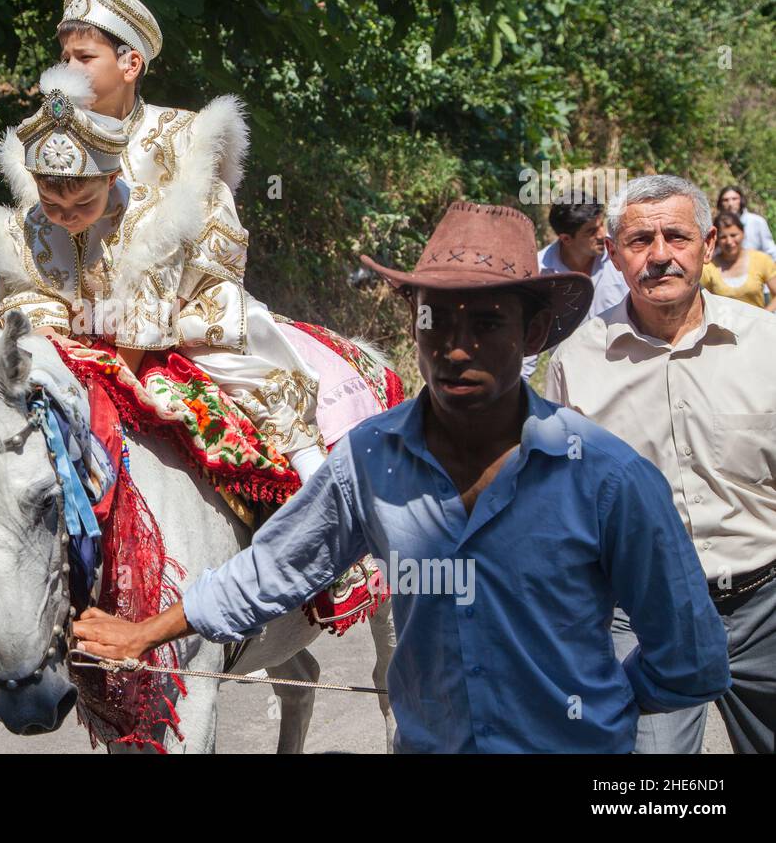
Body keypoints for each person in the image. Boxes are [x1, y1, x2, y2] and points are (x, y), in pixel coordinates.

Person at [74, 201, 730, 752]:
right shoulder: (369, 460)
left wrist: (596, 713)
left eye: (486, 323)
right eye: (434, 319)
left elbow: (691, 657)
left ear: (532, 334)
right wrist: (144, 633)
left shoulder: (607, 479)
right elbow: (271, 570)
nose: (454, 345)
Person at [0, 63, 329, 481]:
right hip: (68, 350)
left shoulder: (151, 220)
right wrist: (54, 347)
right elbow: (27, 296)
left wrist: (112, 377)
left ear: (111, 179)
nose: (66, 218)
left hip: (171, 330)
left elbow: (147, 314)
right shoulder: (29, 224)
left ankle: (318, 482)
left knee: (254, 392)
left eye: (81, 206)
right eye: (52, 205)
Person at [547, 174, 776, 753]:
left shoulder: (767, 345)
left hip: (766, 611)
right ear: (613, 254)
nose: (660, 256)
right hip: (642, 619)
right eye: (639, 241)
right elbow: (555, 513)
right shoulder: (576, 364)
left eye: (676, 237)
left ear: (706, 243)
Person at [521, 193, 629, 379]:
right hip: (570, 379)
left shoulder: (621, 258)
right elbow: (529, 337)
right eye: (591, 231)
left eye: (601, 225)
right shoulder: (539, 274)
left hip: (625, 371)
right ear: (566, 239)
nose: (602, 235)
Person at [701, 209, 776, 310]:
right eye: (723, 237)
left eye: (733, 235)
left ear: (743, 233)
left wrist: (764, 318)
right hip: (722, 325)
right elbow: (702, 302)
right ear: (715, 239)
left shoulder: (761, 260)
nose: (729, 241)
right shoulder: (709, 267)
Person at [716, 184, 776, 260]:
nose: (730, 204)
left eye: (734, 199)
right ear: (720, 203)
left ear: (741, 200)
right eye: (726, 200)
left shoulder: (757, 222)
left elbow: (771, 251)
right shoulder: (717, 225)